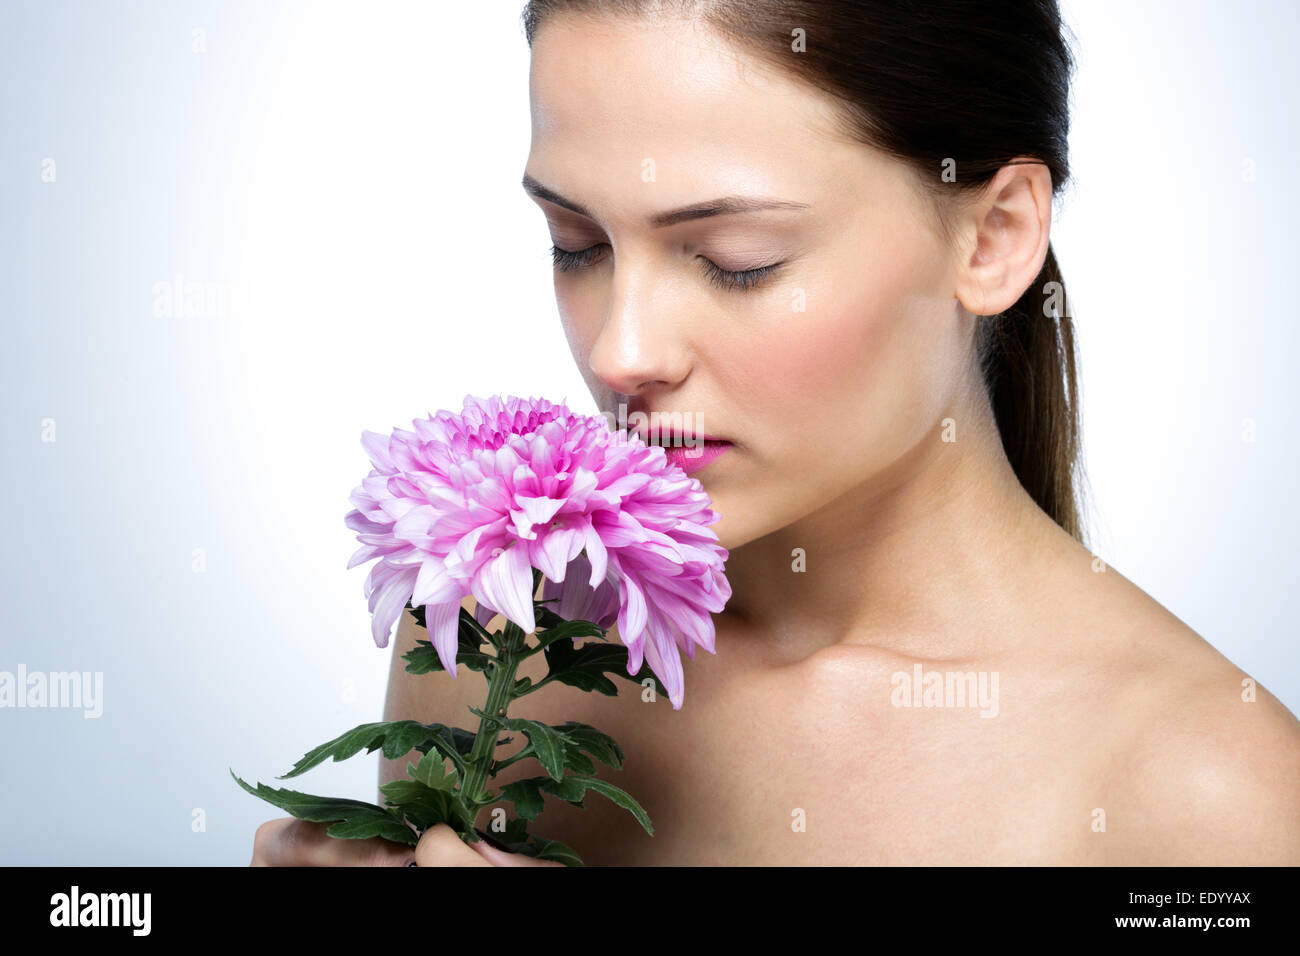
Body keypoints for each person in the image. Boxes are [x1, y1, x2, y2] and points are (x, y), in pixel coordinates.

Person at [251, 0, 1300, 866]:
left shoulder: (1207, 794)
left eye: (736, 258)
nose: (621, 352)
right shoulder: (496, 639)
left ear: (993, 234)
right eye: (576, 245)